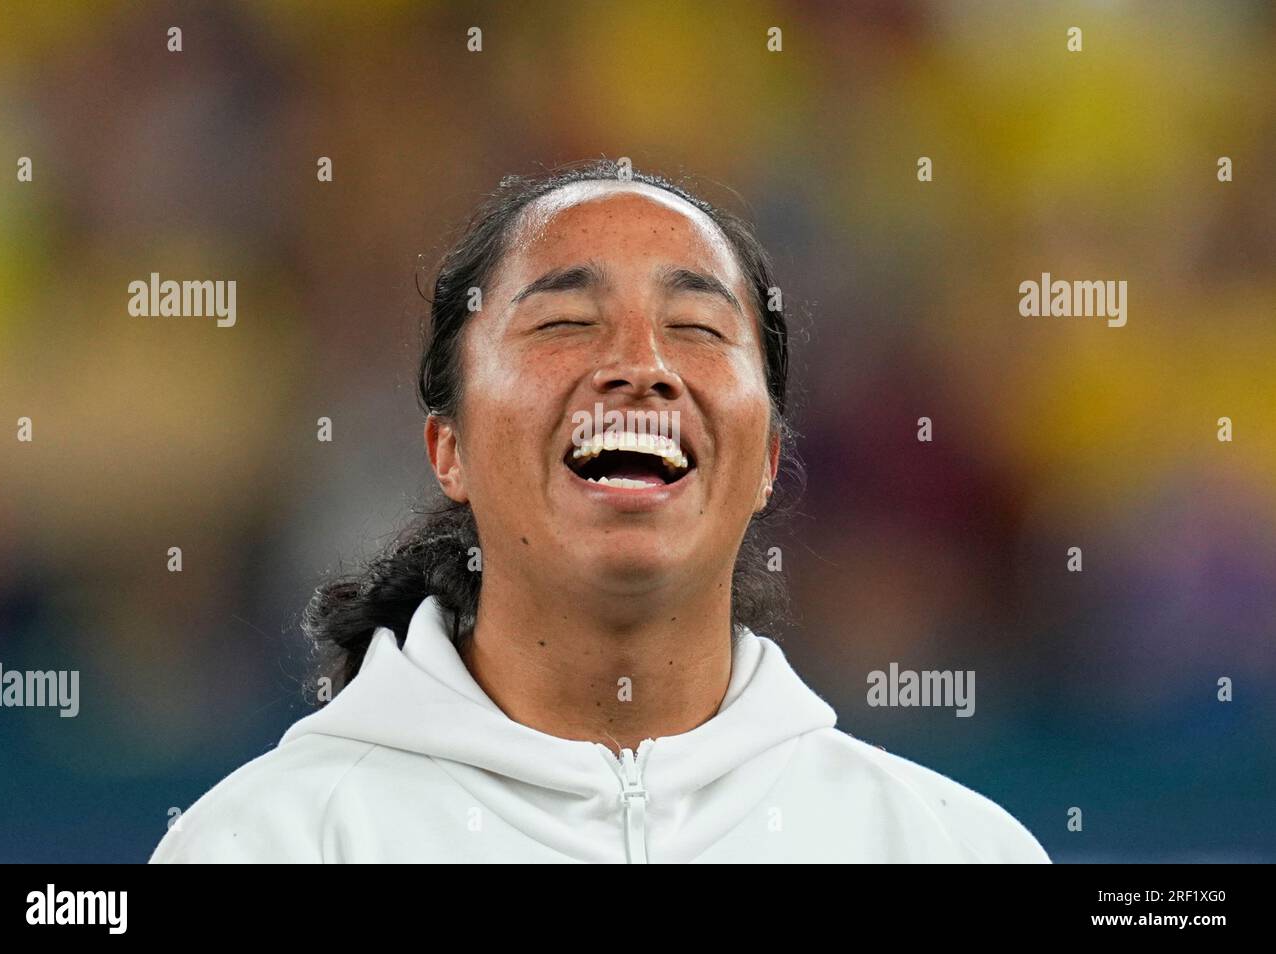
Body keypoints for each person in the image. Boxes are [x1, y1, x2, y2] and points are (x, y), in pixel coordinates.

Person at [150, 160, 1050, 863]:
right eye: (564, 322)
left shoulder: (954, 849)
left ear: (768, 459)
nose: (641, 363)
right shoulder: (265, 844)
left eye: (698, 327)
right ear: (447, 450)